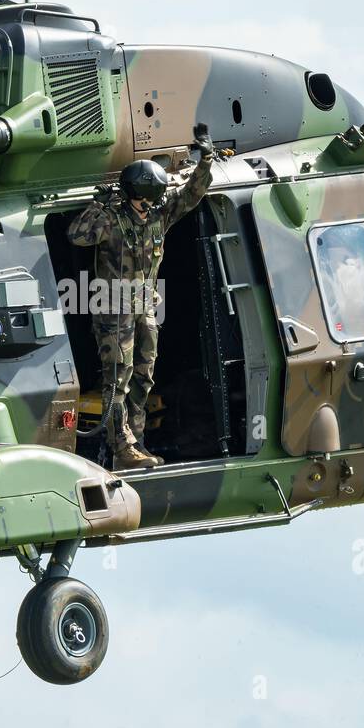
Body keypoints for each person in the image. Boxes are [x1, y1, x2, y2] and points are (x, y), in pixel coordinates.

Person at [67, 124, 217, 470]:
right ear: (139, 194)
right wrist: (96, 205)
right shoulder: (110, 220)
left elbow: (192, 194)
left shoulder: (158, 219)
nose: (154, 202)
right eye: (150, 196)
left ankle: (136, 441)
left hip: (145, 307)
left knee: (143, 376)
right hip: (114, 308)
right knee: (117, 378)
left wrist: (206, 160)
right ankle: (121, 446)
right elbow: (76, 235)